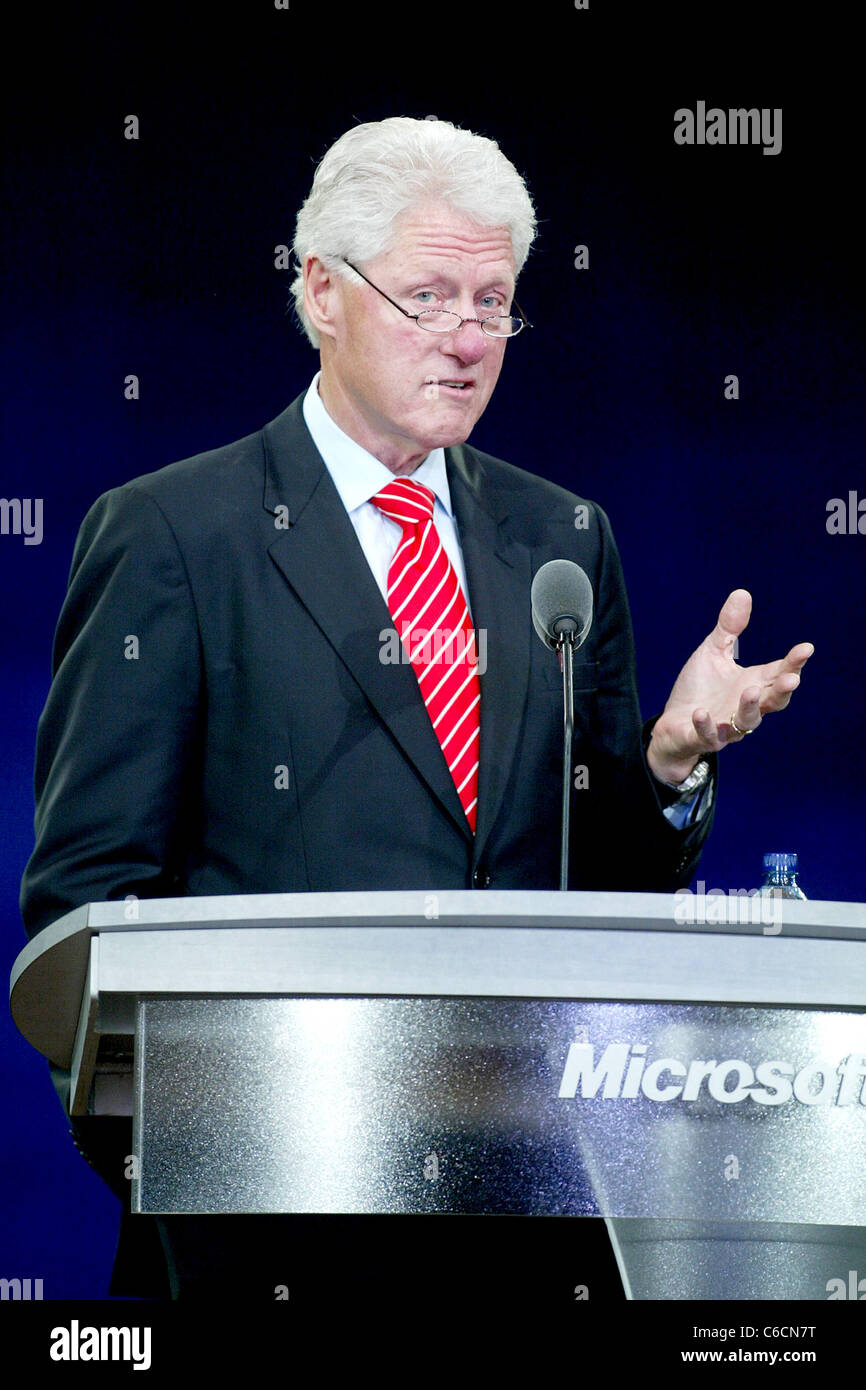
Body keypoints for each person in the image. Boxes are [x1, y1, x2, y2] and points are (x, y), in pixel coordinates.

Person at [19, 116, 812, 1304]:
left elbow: (599, 891)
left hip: (537, 1215)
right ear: (322, 293)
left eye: (492, 302)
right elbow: (85, 911)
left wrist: (661, 765)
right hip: (265, 1224)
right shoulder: (177, 535)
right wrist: (183, 1182)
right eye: (427, 295)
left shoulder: (561, 542)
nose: (466, 340)